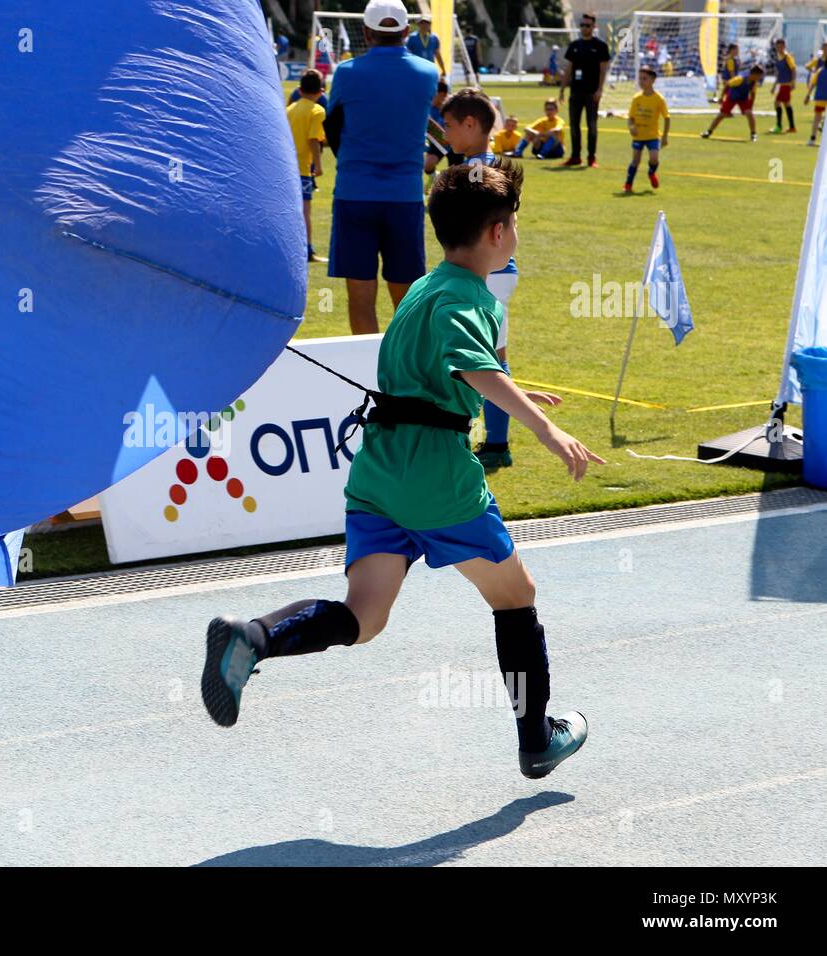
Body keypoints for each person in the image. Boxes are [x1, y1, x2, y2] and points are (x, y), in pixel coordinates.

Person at [199, 162, 600, 781]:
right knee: (516, 598)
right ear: (497, 233)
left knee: (364, 618)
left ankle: (253, 637)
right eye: (514, 223)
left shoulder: (421, 287)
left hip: (377, 474)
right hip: (436, 478)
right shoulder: (472, 298)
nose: (516, 233)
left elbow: (444, 367)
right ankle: (536, 738)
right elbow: (471, 364)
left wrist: (511, 392)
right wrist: (544, 428)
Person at [324, 0, 439, 334]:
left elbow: (333, 127)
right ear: (406, 31)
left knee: (360, 298)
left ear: (366, 33)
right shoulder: (428, 73)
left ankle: (369, 376)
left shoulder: (346, 72)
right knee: (407, 301)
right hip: (404, 196)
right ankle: (409, 375)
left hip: (355, 193)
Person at [440, 88, 520, 468]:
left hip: (488, 275)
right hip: (496, 274)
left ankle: (494, 445)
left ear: (472, 124)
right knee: (492, 357)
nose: (445, 134)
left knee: (484, 360)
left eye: (450, 125)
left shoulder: (477, 173)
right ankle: (494, 443)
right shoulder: (487, 167)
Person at [558, 13, 610, 168]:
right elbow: (569, 68)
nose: (584, 28)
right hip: (576, 92)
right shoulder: (574, 45)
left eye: (588, 25)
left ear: (594, 27)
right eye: (582, 25)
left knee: (591, 125)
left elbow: (603, 70)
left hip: (592, 92)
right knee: (574, 125)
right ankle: (575, 156)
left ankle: (591, 157)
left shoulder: (600, 46)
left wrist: (600, 89)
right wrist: (562, 89)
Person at [287, 70, 328, 263]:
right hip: (303, 170)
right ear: (320, 91)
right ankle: (308, 251)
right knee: (304, 211)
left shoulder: (289, 109)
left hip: (286, 169)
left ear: (299, 89)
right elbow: (313, 139)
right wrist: (317, 166)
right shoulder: (317, 111)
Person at [624, 67, 669, 193]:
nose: (641, 82)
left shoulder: (659, 99)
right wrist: (631, 127)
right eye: (640, 79)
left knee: (654, 158)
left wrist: (665, 136)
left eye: (644, 79)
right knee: (635, 161)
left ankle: (651, 173)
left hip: (653, 136)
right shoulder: (636, 98)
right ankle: (628, 184)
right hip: (638, 136)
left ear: (652, 80)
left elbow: (667, 118)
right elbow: (630, 117)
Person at [701, 64, 764, 142]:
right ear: (754, 74)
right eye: (759, 75)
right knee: (721, 115)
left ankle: (753, 134)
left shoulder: (754, 82)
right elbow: (727, 85)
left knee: (750, 114)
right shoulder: (739, 79)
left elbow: (753, 94)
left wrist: (750, 106)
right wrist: (722, 97)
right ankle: (708, 132)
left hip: (743, 99)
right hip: (732, 97)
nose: (760, 78)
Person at [423, 80, 453, 182]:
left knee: (455, 173)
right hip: (438, 142)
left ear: (442, 94)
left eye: (434, 93)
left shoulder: (452, 107)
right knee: (428, 165)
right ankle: (435, 179)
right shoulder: (427, 107)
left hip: (454, 143)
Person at [769, 39, 797, 134]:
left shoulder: (787, 57)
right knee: (786, 104)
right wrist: (774, 86)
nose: (779, 48)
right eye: (778, 46)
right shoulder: (778, 57)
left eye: (781, 46)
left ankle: (779, 126)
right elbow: (778, 74)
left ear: (784, 46)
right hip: (781, 84)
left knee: (777, 103)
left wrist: (793, 82)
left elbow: (793, 69)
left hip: (786, 84)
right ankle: (792, 127)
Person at [806, 52, 827, 147]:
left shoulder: (819, 71)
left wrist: (808, 95)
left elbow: (813, 84)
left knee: (817, 118)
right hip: (821, 97)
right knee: (818, 118)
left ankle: (812, 138)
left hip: (820, 97)